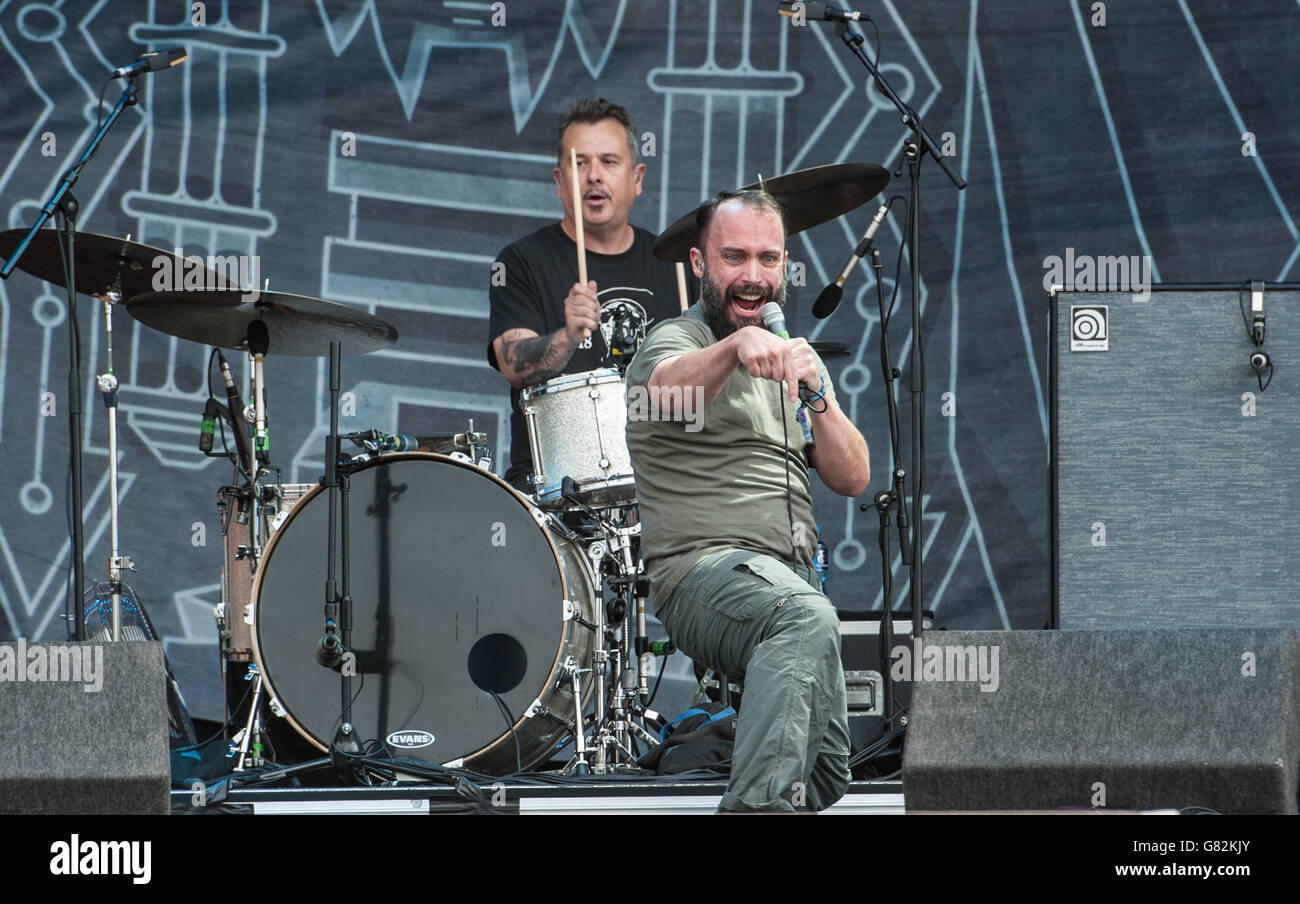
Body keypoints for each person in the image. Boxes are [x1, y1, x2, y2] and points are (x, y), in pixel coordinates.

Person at [625, 189, 871, 812]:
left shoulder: (791, 356)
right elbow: (661, 395)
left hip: (785, 581)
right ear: (699, 264)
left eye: (769, 259)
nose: (754, 276)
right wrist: (734, 348)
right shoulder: (675, 339)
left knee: (827, 773)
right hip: (701, 575)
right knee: (805, 618)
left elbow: (854, 477)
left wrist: (817, 391)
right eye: (734, 257)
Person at [488, 98, 692, 493]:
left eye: (609, 162)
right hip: (556, 494)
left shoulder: (678, 265)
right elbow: (513, 365)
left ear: (637, 177)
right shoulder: (520, 262)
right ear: (559, 181)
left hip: (665, 488)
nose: (594, 176)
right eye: (579, 163)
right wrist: (566, 336)